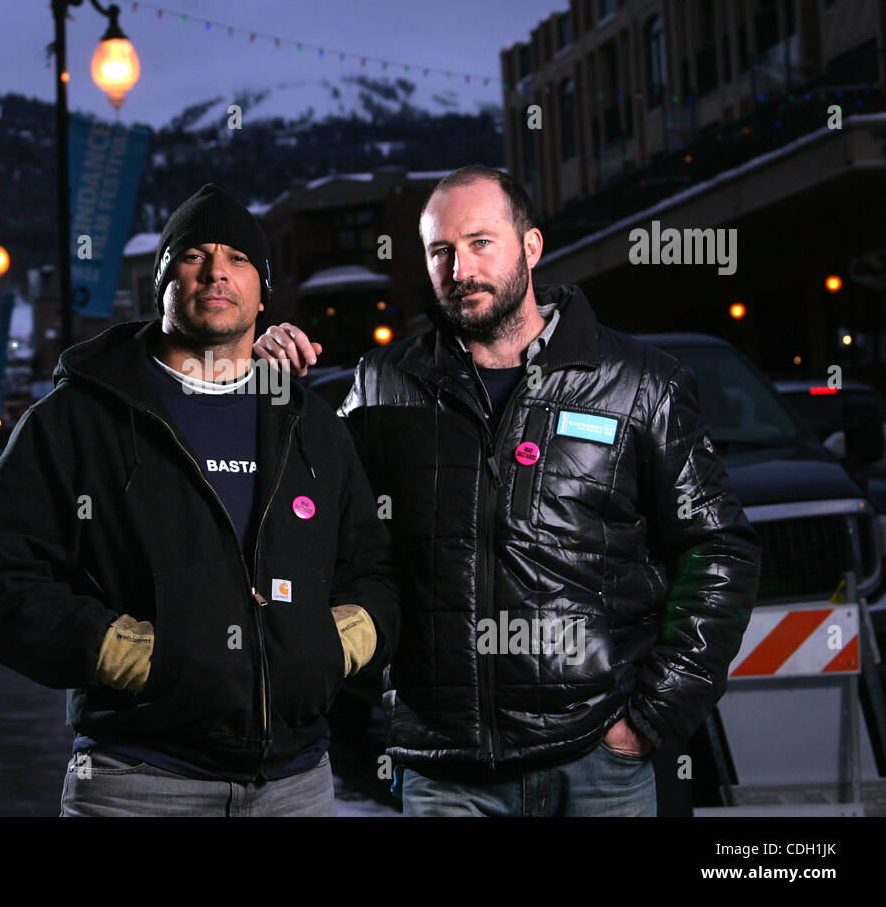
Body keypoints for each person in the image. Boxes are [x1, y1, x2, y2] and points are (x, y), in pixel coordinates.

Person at [254, 165, 760, 816]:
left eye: (480, 242)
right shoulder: (384, 385)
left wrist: (654, 715)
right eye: (441, 251)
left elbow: (718, 549)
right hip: (447, 771)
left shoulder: (639, 384)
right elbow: (309, 521)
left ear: (530, 246)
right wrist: (269, 395)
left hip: (598, 762)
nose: (459, 268)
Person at [0, 183, 400, 817]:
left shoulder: (309, 424)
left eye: (238, 258)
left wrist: (326, 647)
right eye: (194, 255)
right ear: (162, 284)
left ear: (262, 293)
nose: (217, 271)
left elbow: (374, 571)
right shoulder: (80, 419)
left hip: (296, 786)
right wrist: (125, 653)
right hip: (138, 783)